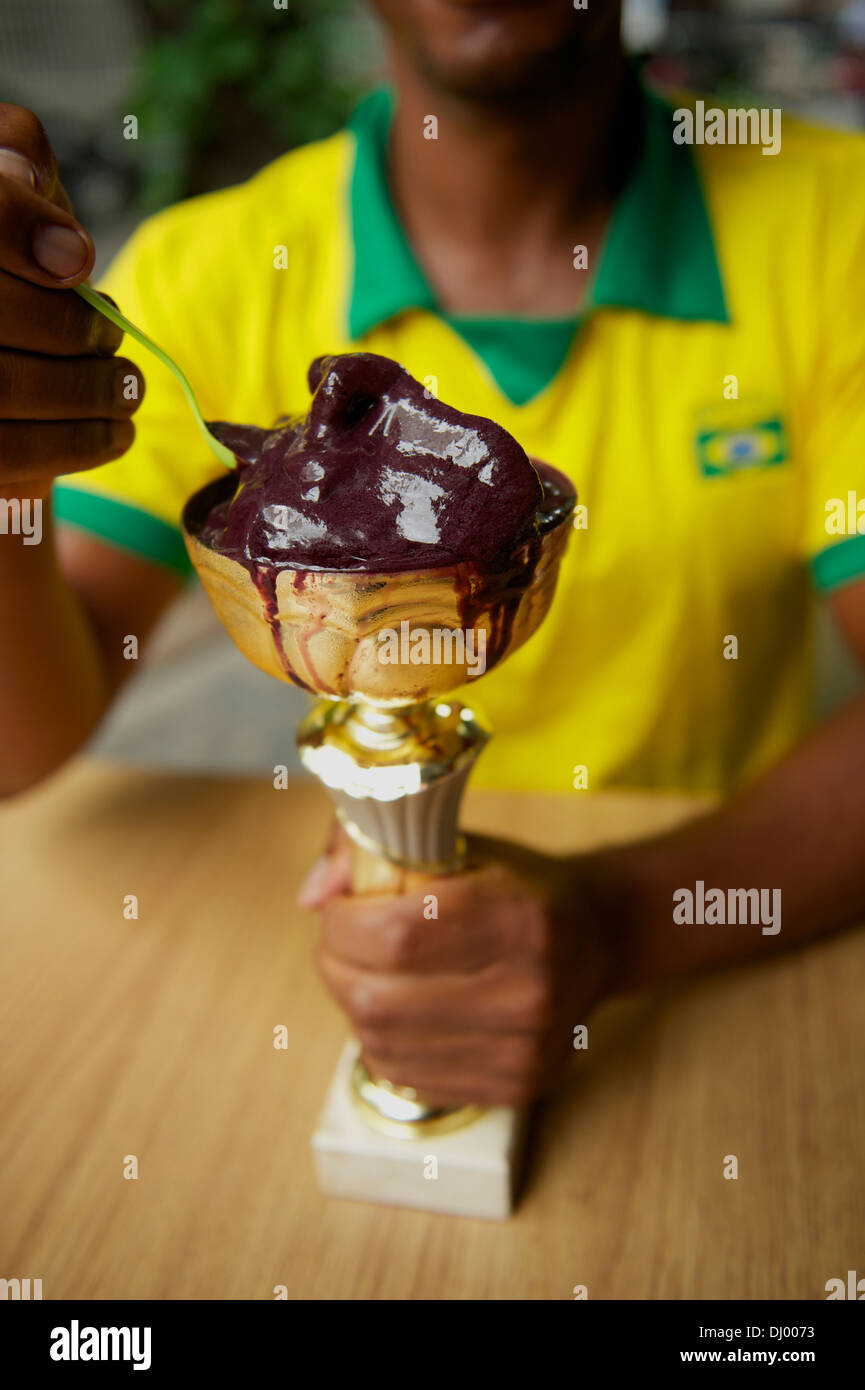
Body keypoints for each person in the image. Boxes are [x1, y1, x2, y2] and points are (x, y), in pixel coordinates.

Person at [1, 0, 863, 1108]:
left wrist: (623, 922)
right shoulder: (207, 271)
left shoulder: (834, 227)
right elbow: (23, 746)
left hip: (725, 995)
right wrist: (15, 470)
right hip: (268, 970)